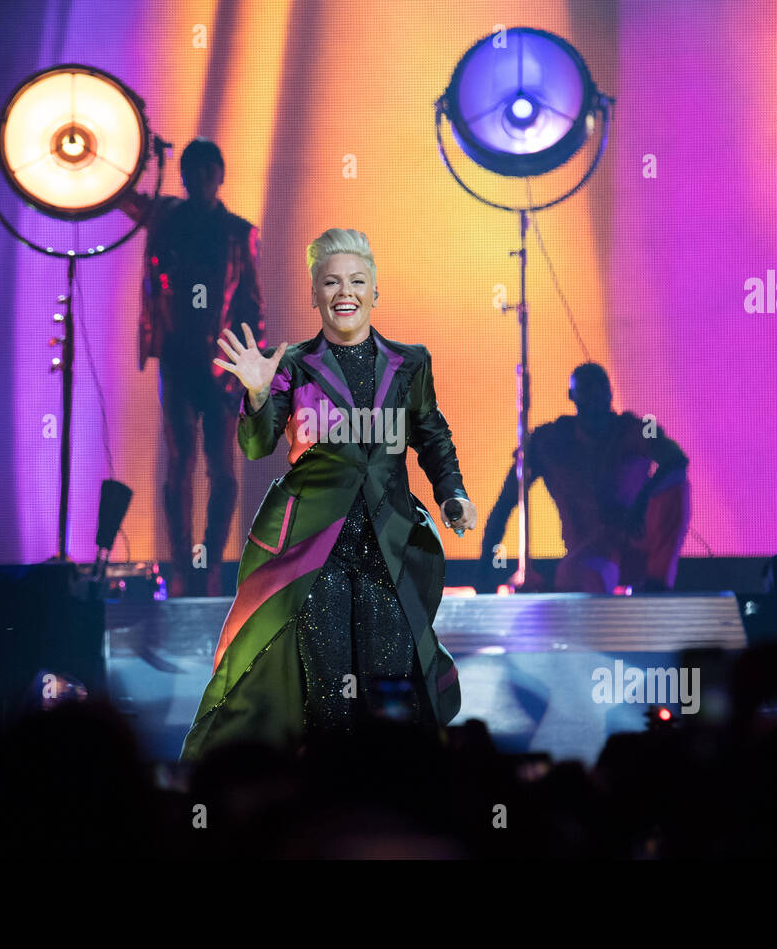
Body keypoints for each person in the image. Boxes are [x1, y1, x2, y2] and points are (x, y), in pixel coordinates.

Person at [180, 228, 477, 761]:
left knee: (392, 683)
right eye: (331, 281)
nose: (346, 291)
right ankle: (326, 803)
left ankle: (390, 809)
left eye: (357, 280)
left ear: (375, 292)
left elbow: (431, 434)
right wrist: (254, 392)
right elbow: (257, 444)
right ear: (314, 293)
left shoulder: (410, 363)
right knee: (329, 688)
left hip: (387, 543)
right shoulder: (290, 365)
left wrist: (452, 493)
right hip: (313, 548)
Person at [117, 138, 265, 596]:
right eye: (192, 172)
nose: (200, 180)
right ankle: (182, 567)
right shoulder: (166, 219)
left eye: (207, 172)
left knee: (222, 471)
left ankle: (211, 565)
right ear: (182, 177)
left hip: (221, 366)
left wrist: (252, 372)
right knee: (179, 466)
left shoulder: (239, 233)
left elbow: (251, 306)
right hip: (179, 363)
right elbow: (120, 196)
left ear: (220, 175)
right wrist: (138, 155)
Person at [481, 362, 690, 593]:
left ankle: (657, 585)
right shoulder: (550, 440)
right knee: (583, 580)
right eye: (587, 390)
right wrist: (484, 572)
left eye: (601, 389)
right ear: (572, 396)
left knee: (677, 484)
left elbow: (677, 460)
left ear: (610, 393)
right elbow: (506, 502)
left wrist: (641, 503)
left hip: (638, 547)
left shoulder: (636, 428)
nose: (596, 398)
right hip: (589, 556)